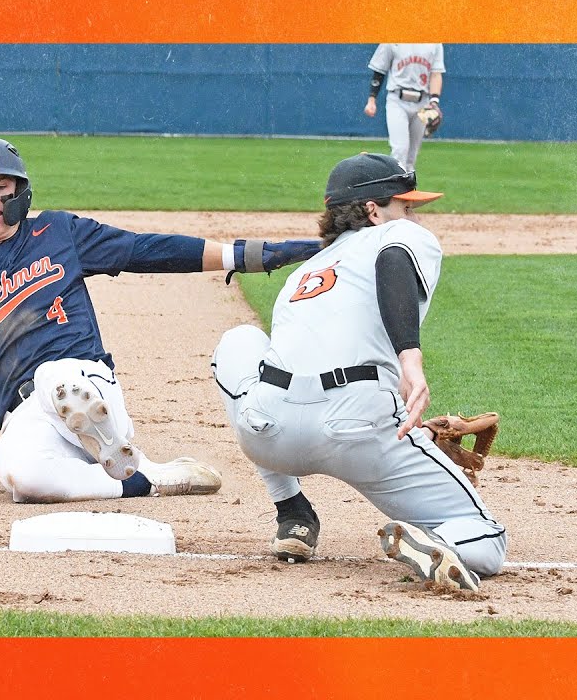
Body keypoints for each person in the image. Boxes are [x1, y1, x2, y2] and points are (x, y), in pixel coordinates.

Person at [0, 137, 322, 503]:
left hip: (88, 383)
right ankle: (141, 478)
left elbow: (148, 250)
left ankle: (108, 437)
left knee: (56, 377)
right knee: (17, 474)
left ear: (20, 192)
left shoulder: (60, 233)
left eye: (1, 188)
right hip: (25, 415)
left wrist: (255, 254)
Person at [210, 152, 506, 591]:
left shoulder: (306, 271)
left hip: (270, 435)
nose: (411, 215)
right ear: (373, 210)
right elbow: (393, 260)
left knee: (237, 341)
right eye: (404, 205)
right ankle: (436, 540)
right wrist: (410, 359)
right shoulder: (396, 236)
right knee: (486, 542)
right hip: (357, 430)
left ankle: (291, 510)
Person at [363, 44, 445, 173]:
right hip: (397, 100)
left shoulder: (434, 42)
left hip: (423, 102)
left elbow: (436, 74)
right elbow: (379, 71)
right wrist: (372, 99)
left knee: (411, 157)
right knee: (400, 150)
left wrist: (434, 102)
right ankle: (396, 190)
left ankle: (408, 190)